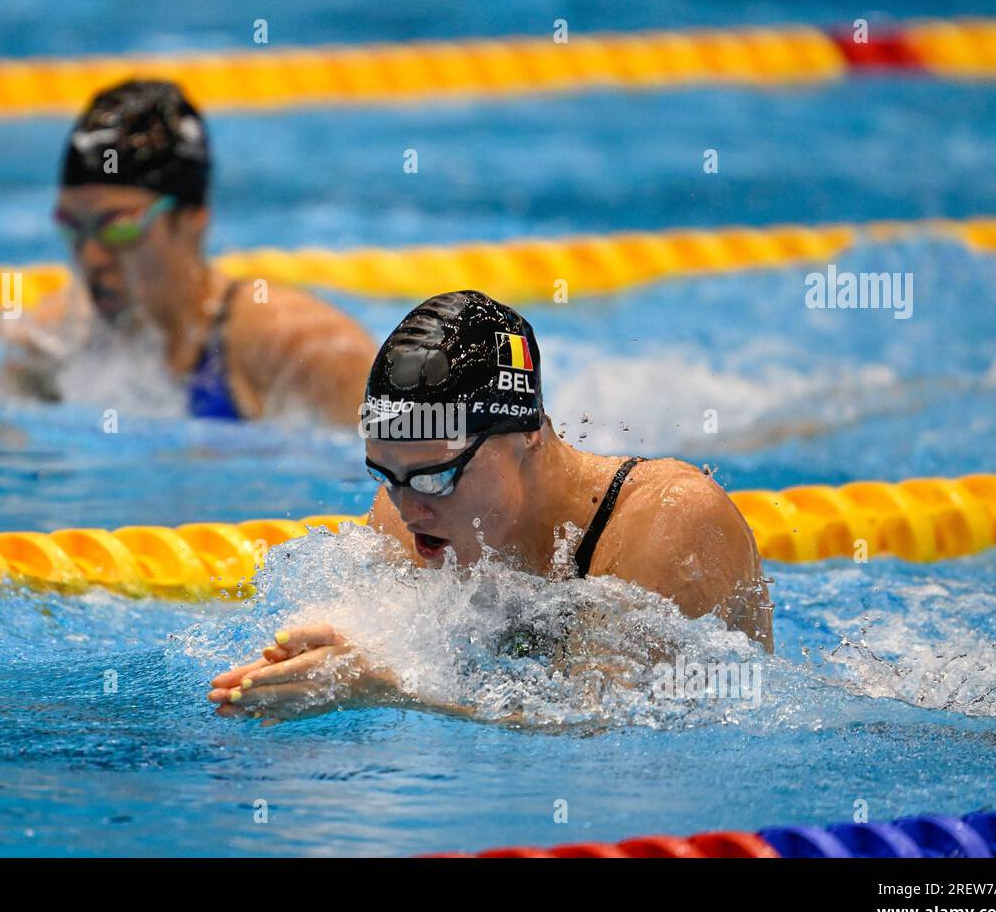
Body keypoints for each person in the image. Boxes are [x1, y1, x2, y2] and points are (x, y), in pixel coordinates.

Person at [209, 290, 774, 718]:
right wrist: (309, 666)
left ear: (527, 433)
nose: (408, 511)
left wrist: (390, 688)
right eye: (386, 475)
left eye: (436, 478)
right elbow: (381, 645)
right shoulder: (404, 514)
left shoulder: (668, 524)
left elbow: (604, 729)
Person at [0, 79, 375, 424]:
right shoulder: (54, 342)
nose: (91, 257)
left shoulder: (306, 351)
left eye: (118, 227)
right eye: (74, 228)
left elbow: (402, 482)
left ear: (194, 219)